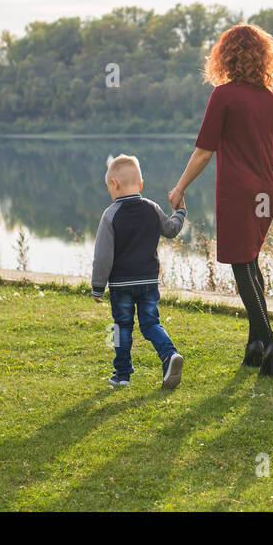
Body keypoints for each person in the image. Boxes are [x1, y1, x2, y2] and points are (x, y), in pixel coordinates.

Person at [168, 23, 273, 376]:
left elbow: (203, 152)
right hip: (267, 191)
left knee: (241, 264)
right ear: (264, 56)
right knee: (251, 259)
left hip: (238, 191)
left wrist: (179, 188)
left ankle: (271, 343)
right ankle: (254, 345)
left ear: (226, 56)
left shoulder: (224, 96)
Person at [91, 153, 187, 389]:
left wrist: (97, 286)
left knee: (121, 326)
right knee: (150, 323)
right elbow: (172, 229)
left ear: (114, 184)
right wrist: (181, 211)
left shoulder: (110, 214)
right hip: (148, 282)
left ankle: (122, 374)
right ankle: (169, 355)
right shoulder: (152, 208)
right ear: (141, 185)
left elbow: (103, 255)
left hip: (121, 285)